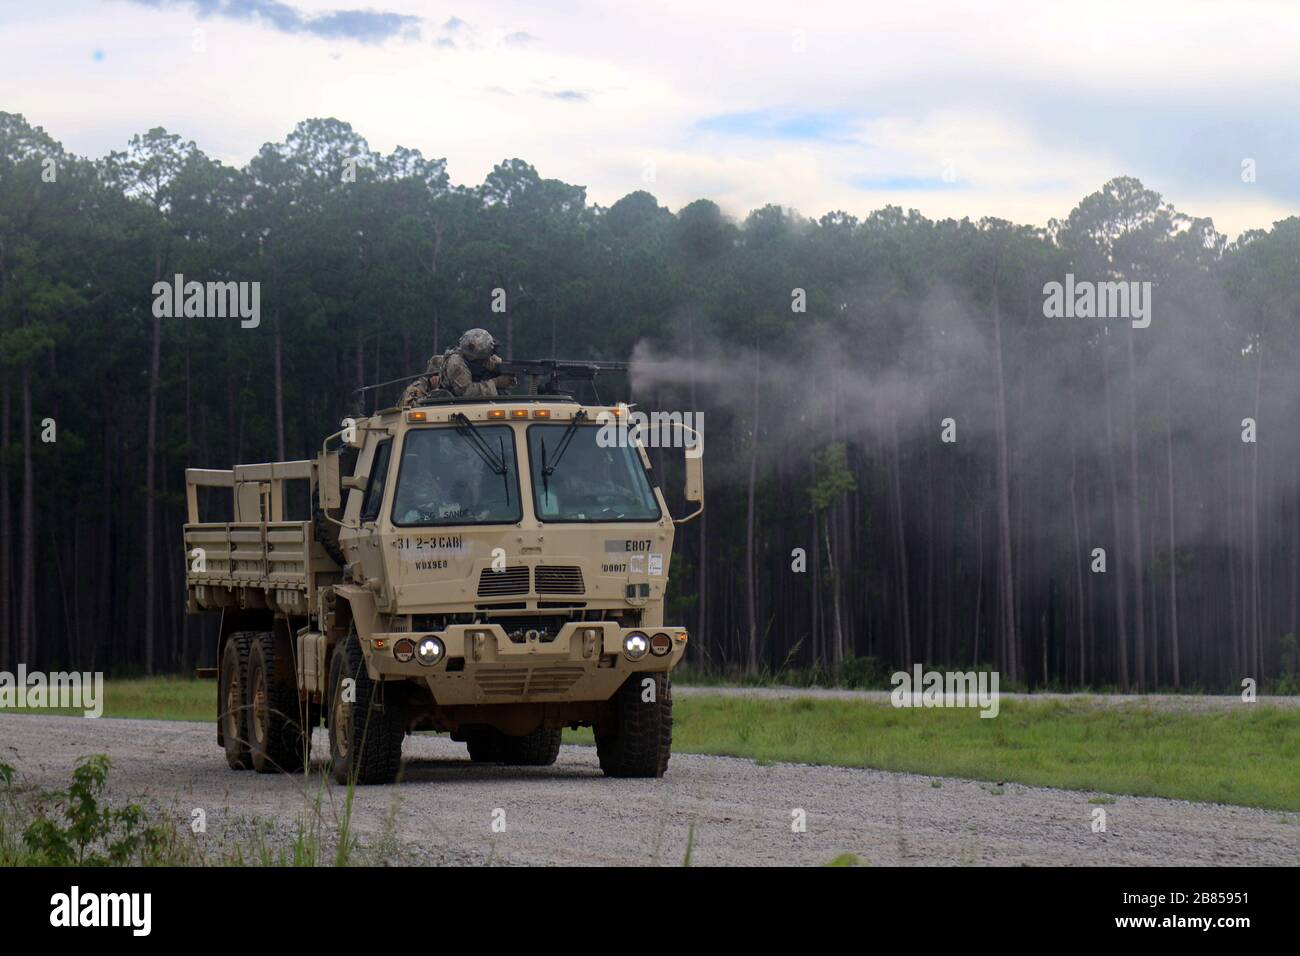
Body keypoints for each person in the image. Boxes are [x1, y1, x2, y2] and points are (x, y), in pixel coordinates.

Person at [400, 328, 515, 406]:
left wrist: (500, 371)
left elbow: (510, 382)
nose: (490, 358)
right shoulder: (456, 364)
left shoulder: (486, 360)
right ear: (476, 358)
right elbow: (466, 392)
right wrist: (496, 382)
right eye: (485, 358)